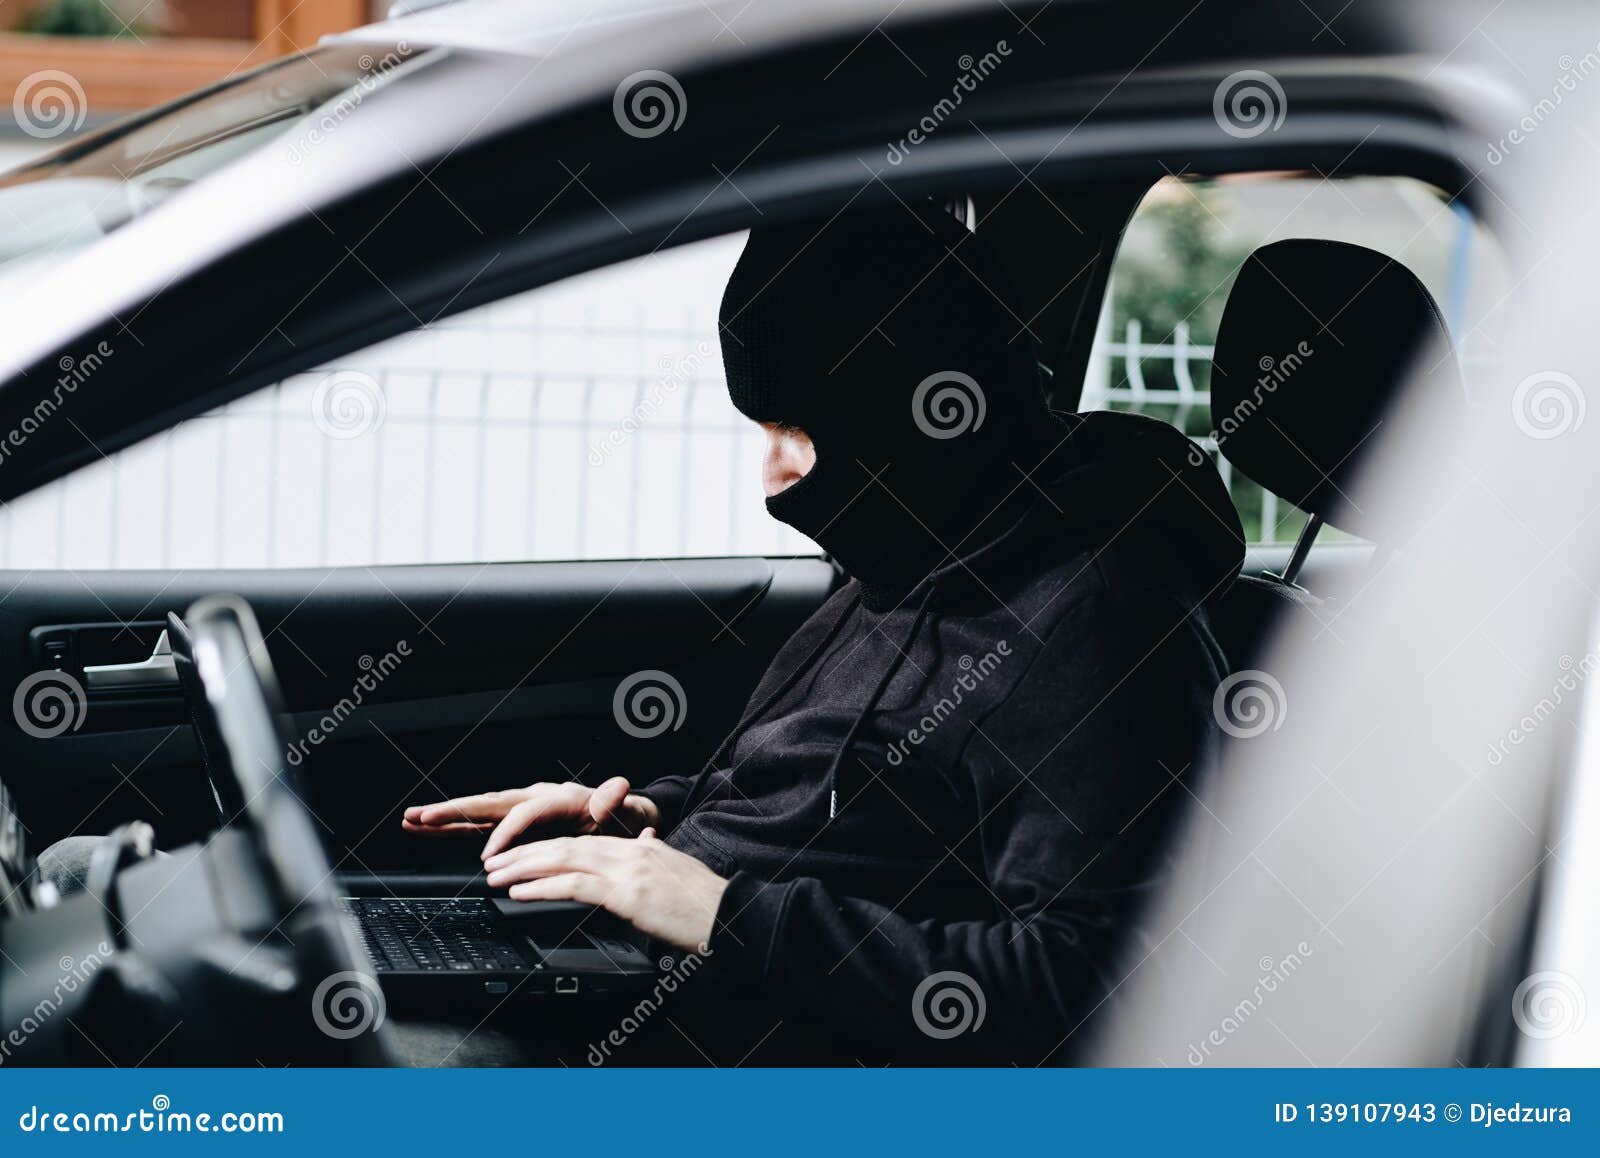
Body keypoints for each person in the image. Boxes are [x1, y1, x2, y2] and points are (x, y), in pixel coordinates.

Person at [403, 202, 1246, 1065]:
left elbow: (1090, 985)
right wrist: (652, 819)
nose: (772, 475)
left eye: (798, 431)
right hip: (671, 992)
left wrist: (724, 915)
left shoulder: (1096, 621)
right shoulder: (916, 549)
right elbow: (847, 799)